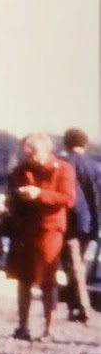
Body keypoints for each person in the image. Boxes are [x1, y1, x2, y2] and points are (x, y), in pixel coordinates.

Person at [4, 132, 76, 341]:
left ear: (46, 150)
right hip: (23, 230)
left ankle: (48, 328)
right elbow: (10, 197)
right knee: (23, 279)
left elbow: (68, 199)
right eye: (27, 154)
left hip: (49, 230)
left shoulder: (63, 169)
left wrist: (40, 194)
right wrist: (17, 195)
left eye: (33, 153)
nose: (30, 158)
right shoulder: (20, 171)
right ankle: (22, 326)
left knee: (47, 278)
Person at [61, 128, 101, 323]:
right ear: (85, 144)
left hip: (67, 220)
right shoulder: (95, 167)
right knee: (77, 263)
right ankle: (74, 308)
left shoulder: (62, 163)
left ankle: (82, 307)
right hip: (89, 222)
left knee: (73, 265)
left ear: (66, 143)